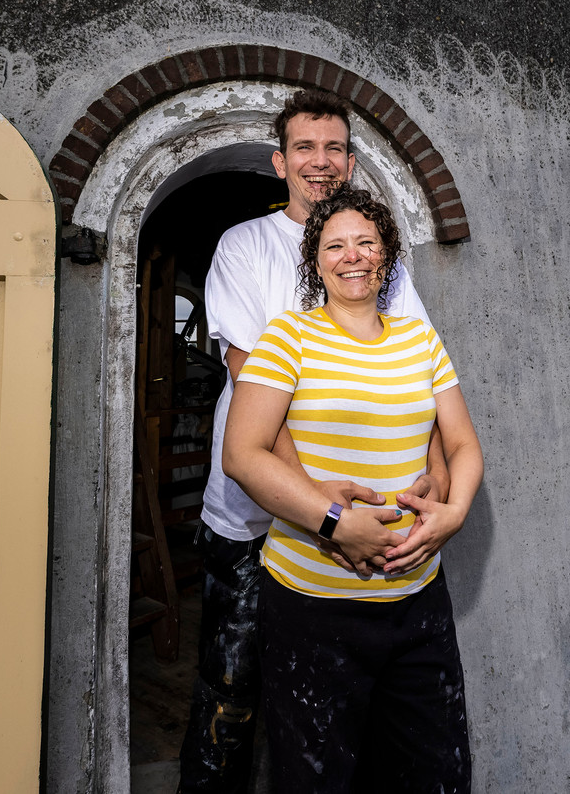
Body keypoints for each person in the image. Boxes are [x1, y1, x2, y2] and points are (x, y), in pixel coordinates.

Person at [178, 90, 448, 793]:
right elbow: (251, 386)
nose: (319, 161)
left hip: (368, 524)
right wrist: (319, 509)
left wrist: (436, 481)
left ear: (351, 163)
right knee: (232, 693)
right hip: (254, 519)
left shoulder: (376, 262)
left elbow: (422, 374)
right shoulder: (245, 246)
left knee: (332, 718)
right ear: (280, 162)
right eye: (304, 147)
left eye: (334, 148)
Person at [224, 187, 482, 793]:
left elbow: (463, 443)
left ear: (387, 254)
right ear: (315, 262)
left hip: (418, 601)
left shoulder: (421, 340)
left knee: (436, 776)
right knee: (317, 781)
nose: (353, 256)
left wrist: (455, 512)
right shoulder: (288, 337)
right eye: (335, 245)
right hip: (313, 605)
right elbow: (242, 453)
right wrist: (335, 523)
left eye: (367, 242)